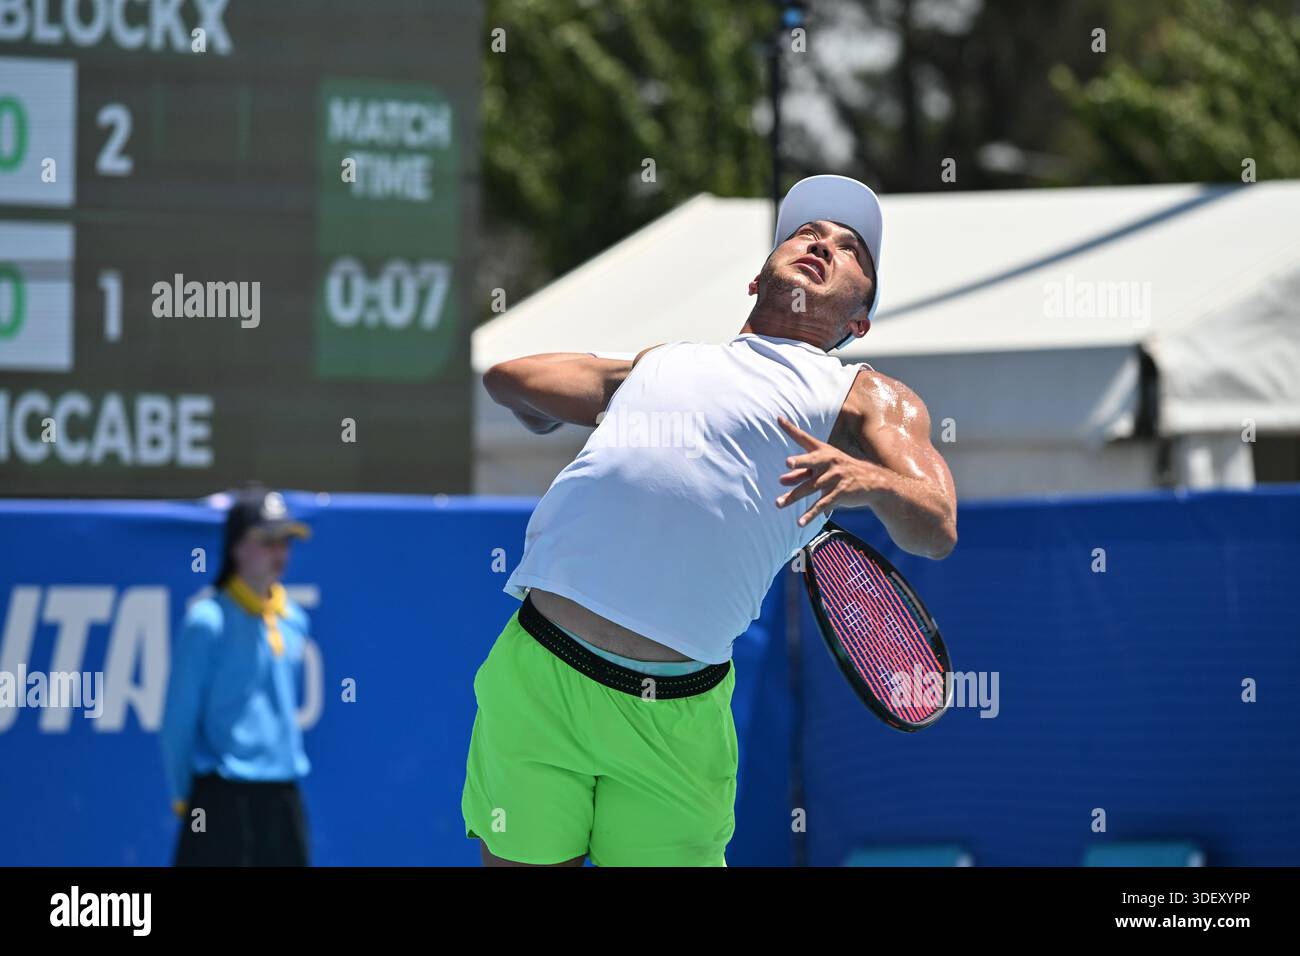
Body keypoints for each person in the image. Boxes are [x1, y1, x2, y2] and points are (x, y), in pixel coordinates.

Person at [463, 174, 958, 867]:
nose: (822, 243)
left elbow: (934, 526)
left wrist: (868, 477)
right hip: (544, 674)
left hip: (677, 721)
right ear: (757, 279)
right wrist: (564, 405)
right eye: (807, 232)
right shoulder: (661, 363)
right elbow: (508, 376)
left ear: (860, 321)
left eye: (850, 251)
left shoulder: (867, 396)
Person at [160, 484, 314, 866]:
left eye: (285, 541)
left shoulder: (295, 619)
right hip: (221, 800)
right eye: (267, 540)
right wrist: (186, 796)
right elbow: (177, 722)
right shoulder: (206, 622)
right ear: (235, 547)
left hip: (282, 800)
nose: (279, 553)